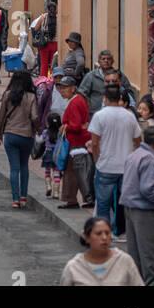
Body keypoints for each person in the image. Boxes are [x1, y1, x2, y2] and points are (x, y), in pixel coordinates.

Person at [89, 85, 143, 234]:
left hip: (105, 165)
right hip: (126, 166)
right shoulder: (129, 116)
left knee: (103, 204)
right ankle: (121, 232)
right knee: (123, 203)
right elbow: (138, 139)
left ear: (104, 98)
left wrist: (96, 160)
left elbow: (94, 142)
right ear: (120, 98)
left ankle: (103, 233)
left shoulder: (99, 116)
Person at [119, 123, 154, 285]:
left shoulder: (135, 154)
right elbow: (148, 190)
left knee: (136, 252)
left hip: (130, 207)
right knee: (149, 252)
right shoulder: (149, 159)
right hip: (143, 210)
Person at [60, 217, 144, 288]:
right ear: (87, 238)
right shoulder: (74, 267)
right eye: (98, 233)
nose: (104, 237)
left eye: (107, 233)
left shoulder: (124, 261)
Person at [0, 68, 40, 208]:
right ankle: (23, 197)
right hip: (26, 135)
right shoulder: (31, 97)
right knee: (24, 166)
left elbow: (2, 116)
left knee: (14, 168)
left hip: (10, 134)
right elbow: (34, 116)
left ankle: (15, 199)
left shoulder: (7, 95)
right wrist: (37, 128)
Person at [58, 75, 95, 208]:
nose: (62, 91)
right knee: (81, 172)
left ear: (73, 88)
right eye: (61, 88)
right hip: (80, 141)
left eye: (65, 88)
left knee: (73, 172)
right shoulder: (78, 100)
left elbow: (76, 125)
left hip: (76, 142)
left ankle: (72, 199)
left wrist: (65, 126)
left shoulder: (75, 102)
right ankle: (81, 198)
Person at [80, 51, 137, 119]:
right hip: (94, 114)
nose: (106, 61)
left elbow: (129, 92)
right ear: (99, 61)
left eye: (108, 59)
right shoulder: (91, 76)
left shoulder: (120, 76)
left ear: (112, 61)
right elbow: (81, 93)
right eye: (103, 59)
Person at [31, 0, 58, 78]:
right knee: (53, 65)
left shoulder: (43, 17)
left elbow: (35, 29)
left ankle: (43, 82)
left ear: (47, 8)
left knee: (44, 65)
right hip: (55, 44)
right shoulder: (59, 17)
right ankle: (52, 81)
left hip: (44, 44)